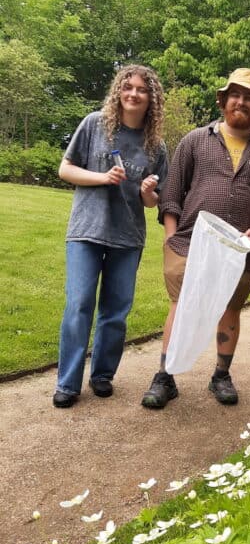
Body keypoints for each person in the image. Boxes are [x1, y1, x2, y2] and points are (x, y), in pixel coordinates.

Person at [141, 68, 250, 409]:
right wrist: (171, 239)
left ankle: (221, 375)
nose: (241, 101)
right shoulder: (194, 141)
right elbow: (173, 191)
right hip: (188, 244)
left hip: (241, 251)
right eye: (235, 94)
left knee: (230, 310)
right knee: (181, 306)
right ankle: (165, 377)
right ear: (223, 100)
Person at [53, 65, 167, 408]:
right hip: (87, 231)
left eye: (141, 90)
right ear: (119, 91)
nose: (133, 94)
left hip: (128, 237)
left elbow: (151, 202)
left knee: (115, 312)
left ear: (152, 100)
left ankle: (102, 375)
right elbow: (65, 169)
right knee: (79, 304)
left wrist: (149, 189)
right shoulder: (94, 125)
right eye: (127, 87)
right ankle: (68, 383)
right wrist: (102, 177)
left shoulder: (156, 146)